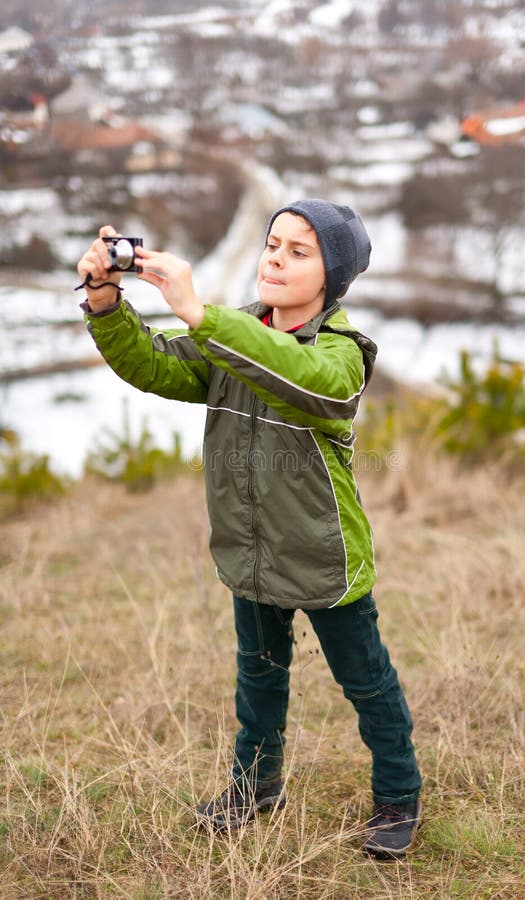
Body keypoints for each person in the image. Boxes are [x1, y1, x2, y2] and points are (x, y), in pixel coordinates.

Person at [76, 198, 422, 859]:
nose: (275, 258)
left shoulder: (342, 352)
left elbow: (306, 377)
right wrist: (104, 302)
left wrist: (204, 314)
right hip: (248, 550)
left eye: (299, 251)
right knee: (259, 676)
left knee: (366, 680)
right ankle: (256, 785)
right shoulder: (229, 341)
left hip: (325, 555)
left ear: (334, 276)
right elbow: (149, 363)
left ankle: (399, 795)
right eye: (273, 244)